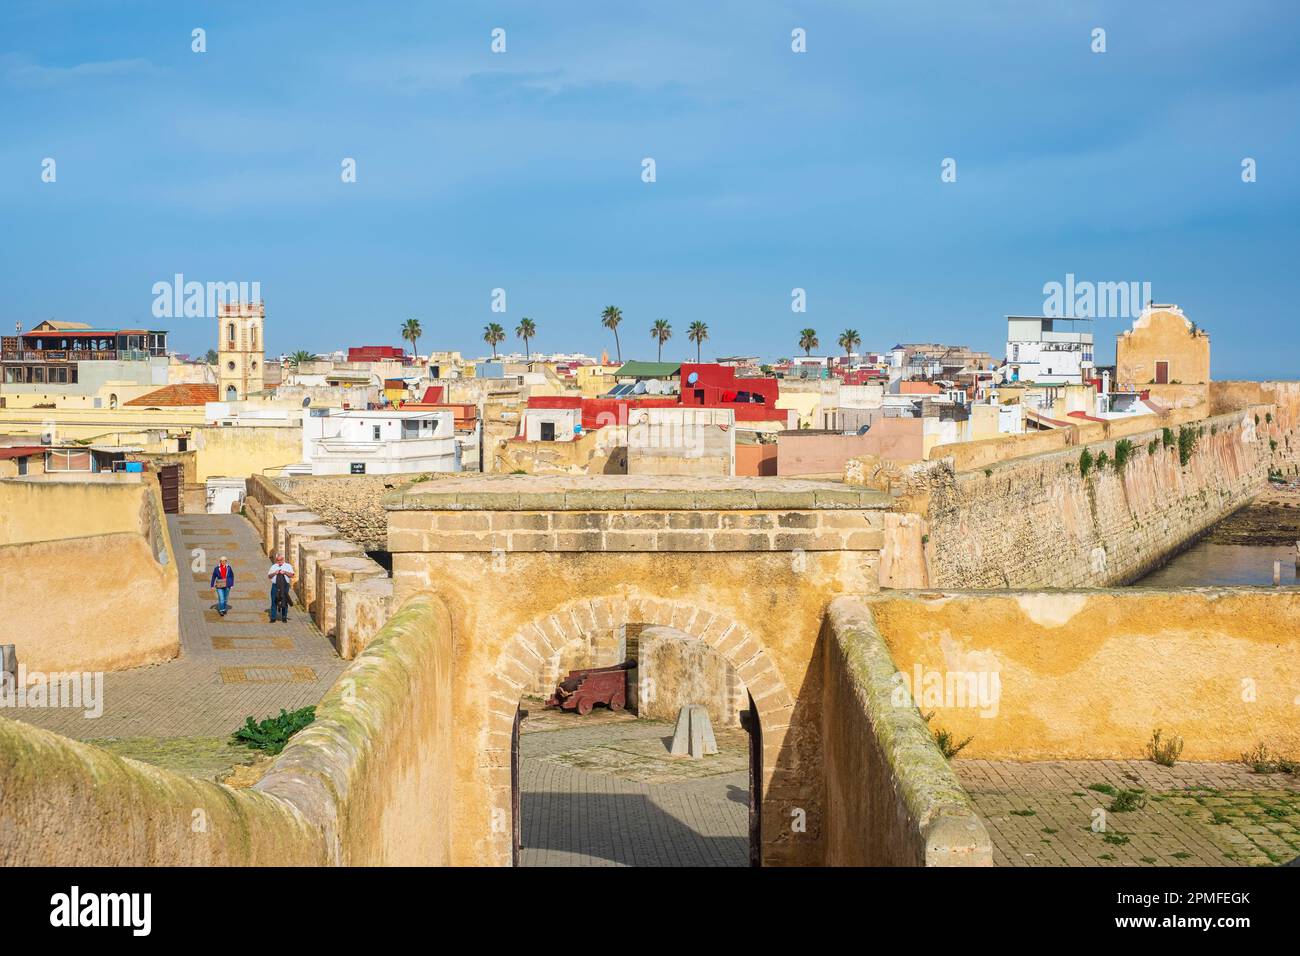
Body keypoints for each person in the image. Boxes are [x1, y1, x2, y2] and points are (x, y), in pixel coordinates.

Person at [267, 553, 295, 623]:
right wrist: (274, 573)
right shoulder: (274, 566)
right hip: (275, 586)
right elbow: (269, 576)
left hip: (285, 586)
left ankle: (284, 617)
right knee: (274, 601)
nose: (279, 561)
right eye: (278, 560)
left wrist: (285, 572)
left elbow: (292, 575)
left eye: (281, 560)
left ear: (283, 559)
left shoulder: (288, 566)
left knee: (284, 601)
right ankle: (273, 617)